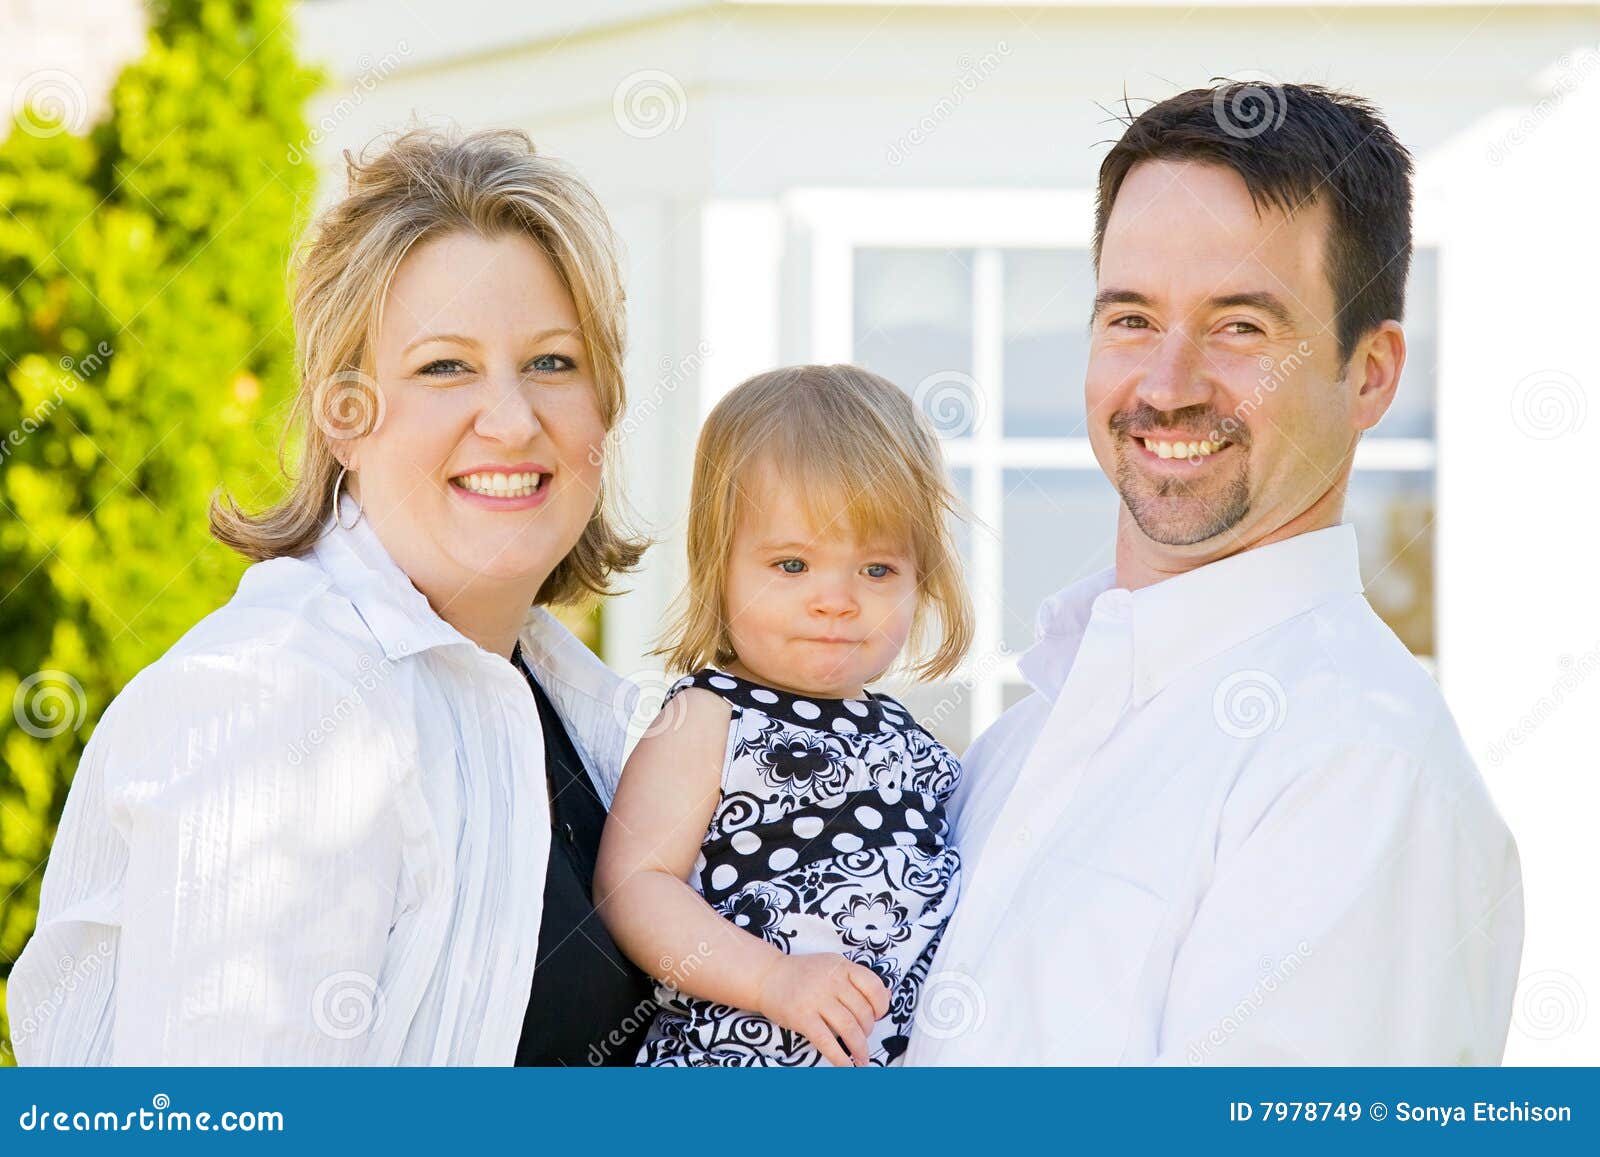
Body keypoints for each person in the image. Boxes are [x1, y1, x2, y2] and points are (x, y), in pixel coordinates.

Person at [7, 127, 659, 1065]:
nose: (514, 418)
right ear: (345, 415)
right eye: (446, 366)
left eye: (554, 362)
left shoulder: (566, 709)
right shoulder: (273, 707)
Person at [903, 82, 1523, 1065]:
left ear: (1369, 372)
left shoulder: (1357, 769)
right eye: (1132, 319)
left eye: (1241, 326)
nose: (1166, 385)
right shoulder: (1023, 741)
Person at [594, 364, 976, 1066]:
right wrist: (771, 978)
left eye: (877, 569)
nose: (837, 599)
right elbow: (633, 886)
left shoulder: (921, 749)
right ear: (722, 565)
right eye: (793, 565)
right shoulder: (709, 718)